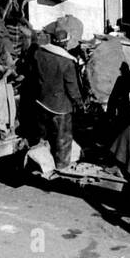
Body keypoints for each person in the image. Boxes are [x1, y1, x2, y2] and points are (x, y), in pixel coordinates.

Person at [34, 27, 82, 169]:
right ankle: (62, 166)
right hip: (59, 106)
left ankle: (44, 162)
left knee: (45, 134)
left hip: (41, 100)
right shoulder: (66, 62)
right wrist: (78, 102)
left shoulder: (39, 54)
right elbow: (71, 87)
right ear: (65, 44)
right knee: (63, 138)